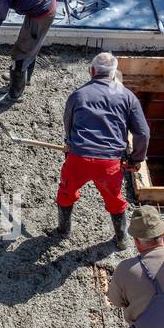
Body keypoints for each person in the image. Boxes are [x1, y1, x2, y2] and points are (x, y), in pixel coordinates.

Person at [54, 51, 149, 248]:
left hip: (78, 158)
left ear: (91, 71)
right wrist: (135, 159)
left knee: (66, 192)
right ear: (114, 74)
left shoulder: (78, 95)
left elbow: (68, 124)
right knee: (115, 199)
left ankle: (63, 231)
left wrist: (69, 145)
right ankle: (122, 239)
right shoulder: (127, 97)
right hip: (110, 163)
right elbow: (142, 133)